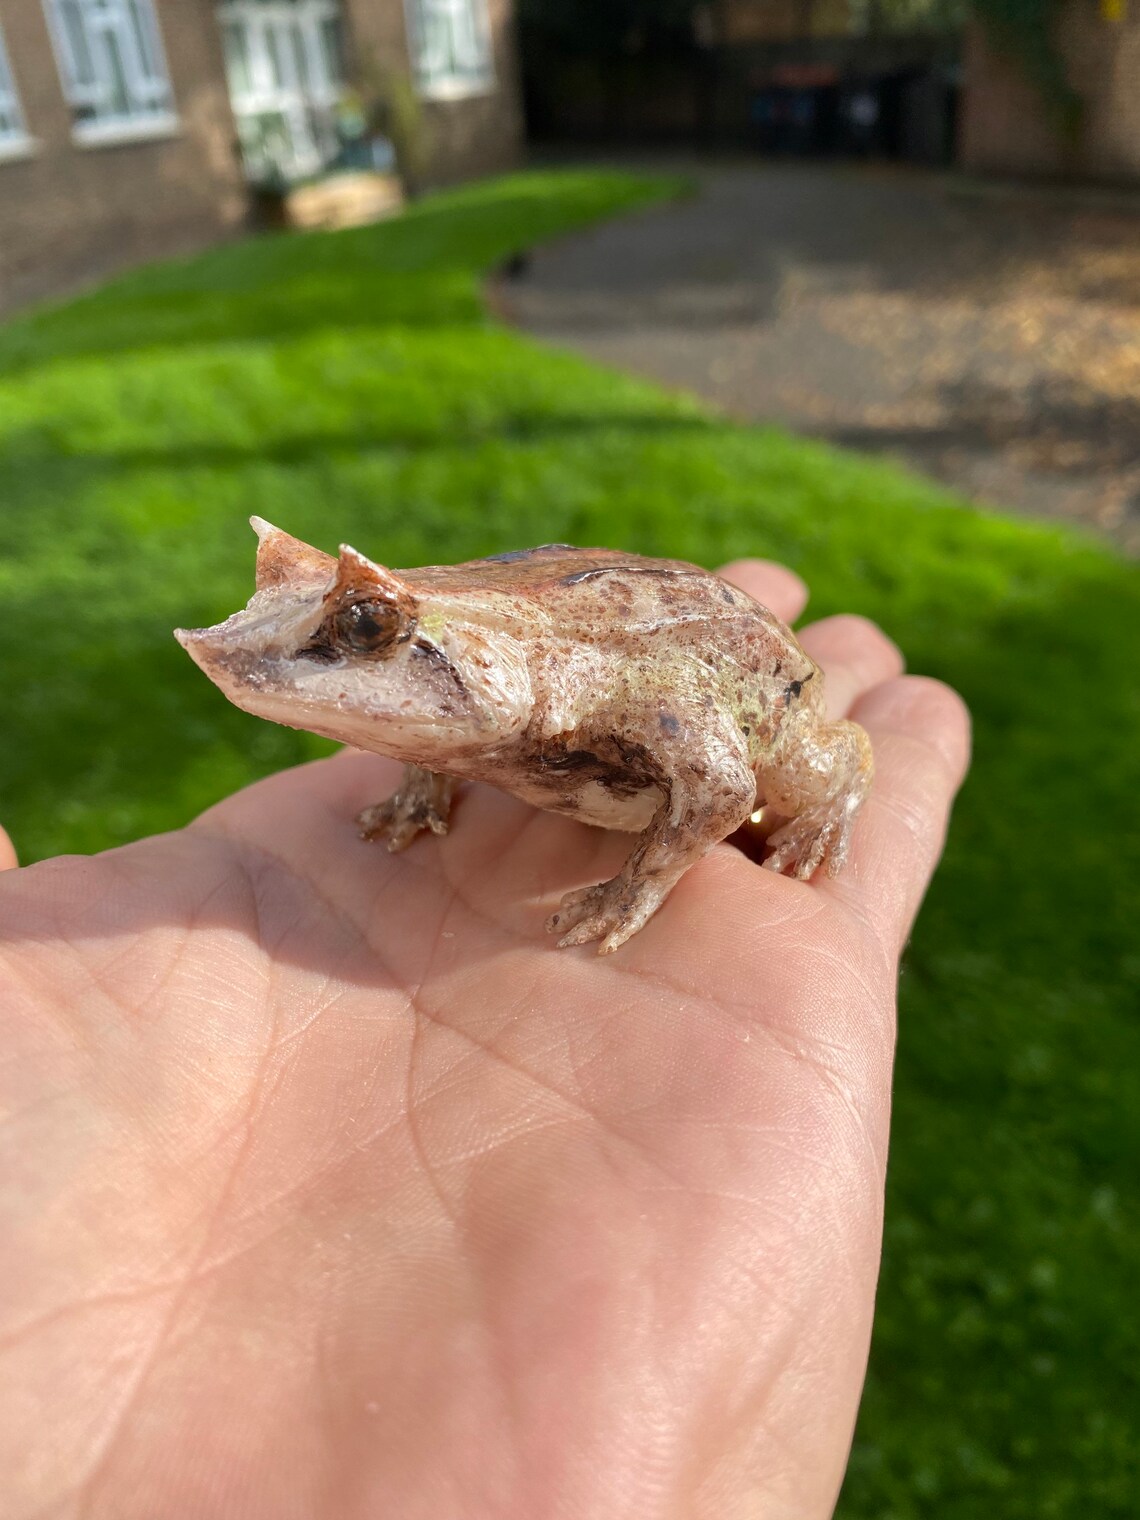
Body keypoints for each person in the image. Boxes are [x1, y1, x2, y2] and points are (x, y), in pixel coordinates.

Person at [0, 560, 970, 1519]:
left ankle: (838, 780)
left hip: (735, 683)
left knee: (801, 770)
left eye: (367, 630)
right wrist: (428, 782)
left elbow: (718, 784)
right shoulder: (494, 706)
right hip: (547, 671)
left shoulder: (578, 695)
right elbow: (462, 715)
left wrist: (638, 883)